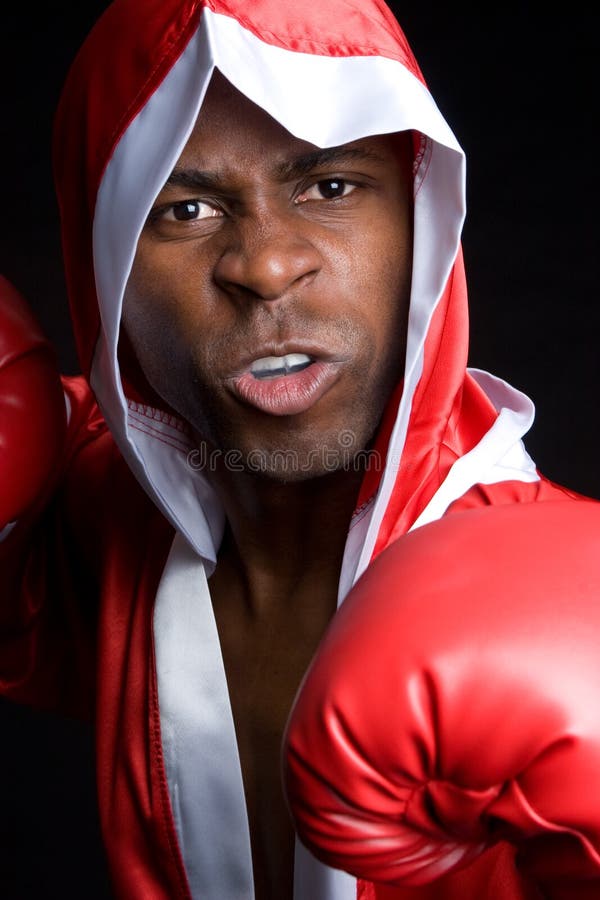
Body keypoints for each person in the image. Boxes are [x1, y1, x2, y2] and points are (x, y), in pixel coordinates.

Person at [1, 0, 599, 898]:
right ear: (106, 273)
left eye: (331, 187)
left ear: (425, 220)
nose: (267, 265)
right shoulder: (101, 523)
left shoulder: (575, 623)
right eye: (186, 208)